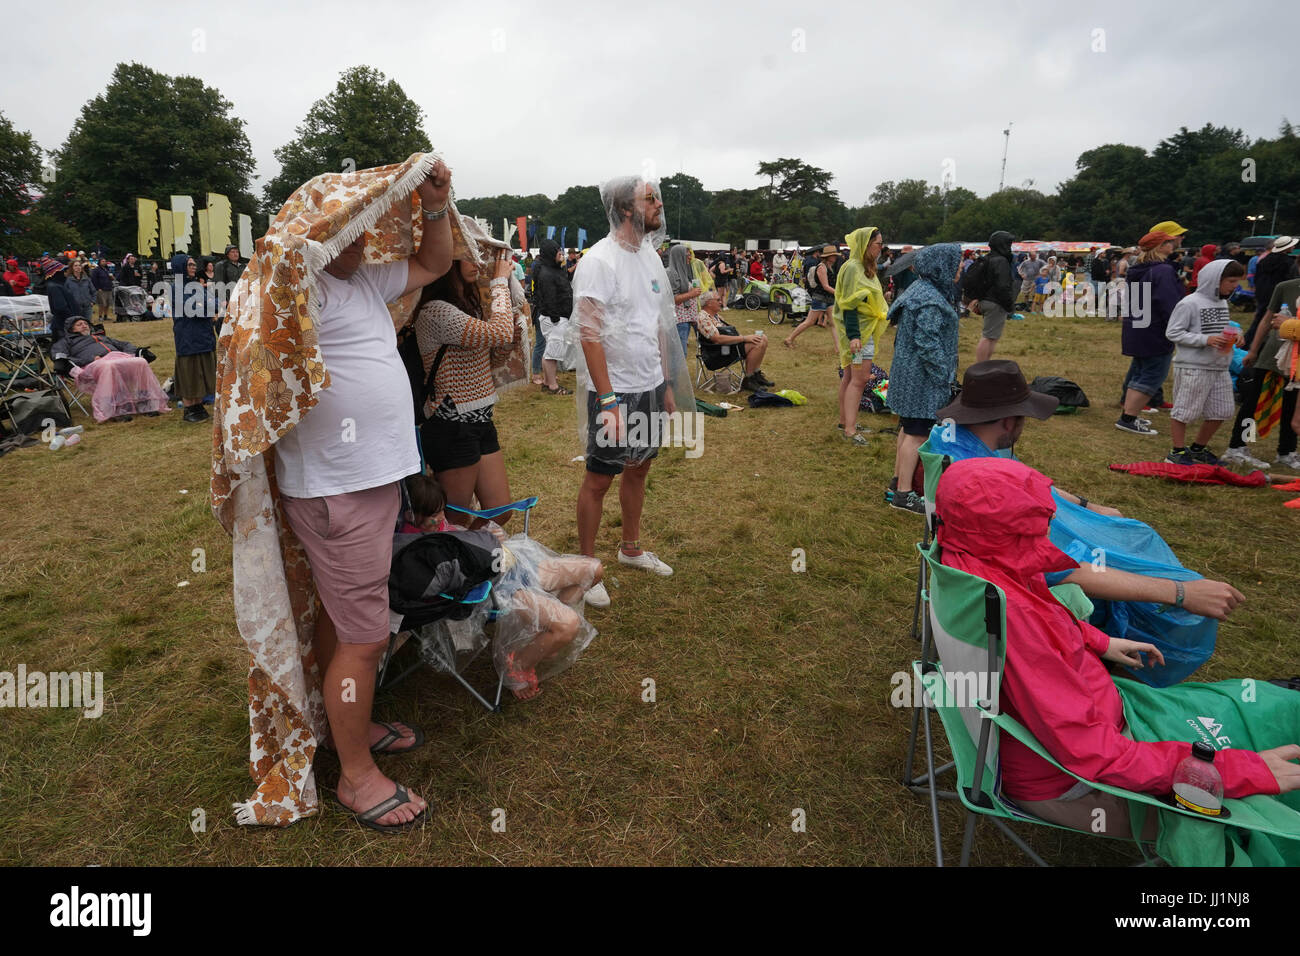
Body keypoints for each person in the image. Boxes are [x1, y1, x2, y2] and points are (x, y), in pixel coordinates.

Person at [935, 456, 1300, 840]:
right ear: (1012, 533)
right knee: (1268, 734)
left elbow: (1043, 611)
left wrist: (1099, 640)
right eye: (1037, 529)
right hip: (1079, 778)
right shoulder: (1015, 619)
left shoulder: (971, 561)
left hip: (1102, 720)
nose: (1047, 539)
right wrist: (1242, 771)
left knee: (1259, 705)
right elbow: (1095, 754)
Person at [269, 161, 453, 831]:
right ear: (318, 231)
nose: (360, 241)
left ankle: (348, 724)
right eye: (345, 230)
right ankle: (355, 777)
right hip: (337, 487)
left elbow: (435, 262)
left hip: (366, 483)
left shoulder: (361, 280)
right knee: (367, 635)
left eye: (362, 228)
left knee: (344, 621)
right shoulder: (297, 286)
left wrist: (434, 203)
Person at [928, 359, 1246, 621]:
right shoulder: (991, 491)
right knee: (1134, 542)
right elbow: (1063, 567)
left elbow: (1029, 483)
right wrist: (1180, 593)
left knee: (1125, 532)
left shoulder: (956, 444)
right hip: (1022, 594)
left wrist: (1088, 506)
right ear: (1010, 422)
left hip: (982, 573)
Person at [571, 176, 690, 604]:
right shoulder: (599, 261)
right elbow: (588, 333)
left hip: (650, 385)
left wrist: (668, 385)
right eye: (650, 198)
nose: (659, 204)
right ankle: (586, 569)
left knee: (640, 467)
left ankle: (630, 547)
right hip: (615, 390)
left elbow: (659, 324)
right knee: (600, 478)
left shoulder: (650, 257)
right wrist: (607, 401)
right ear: (626, 209)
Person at [413, 237, 518, 521]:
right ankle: (456, 561)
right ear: (449, 262)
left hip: (480, 419)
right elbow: (498, 332)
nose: (478, 263)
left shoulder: (467, 307)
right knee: (454, 518)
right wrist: (499, 283)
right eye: (468, 257)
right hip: (451, 423)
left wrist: (509, 341)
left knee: (501, 512)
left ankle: (473, 556)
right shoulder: (436, 311)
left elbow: (489, 359)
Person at [885, 243, 962, 512]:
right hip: (922, 378)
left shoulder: (922, 288)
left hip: (912, 373)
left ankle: (897, 483)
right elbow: (927, 341)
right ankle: (904, 495)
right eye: (956, 262)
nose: (960, 267)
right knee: (917, 434)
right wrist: (944, 375)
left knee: (908, 429)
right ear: (942, 265)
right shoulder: (929, 298)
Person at [1163, 259, 1244, 464]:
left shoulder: (1222, 302)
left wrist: (1238, 334)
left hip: (1219, 366)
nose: (1235, 286)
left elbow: (1223, 327)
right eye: (1231, 281)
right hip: (1193, 366)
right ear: (1214, 279)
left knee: (1223, 410)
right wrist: (1204, 340)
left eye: (1237, 281)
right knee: (1185, 411)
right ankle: (1177, 452)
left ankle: (1198, 448)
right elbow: (1173, 332)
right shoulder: (1189, 303)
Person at [1223, 269, 1300, 470]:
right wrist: (1253, 350)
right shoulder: (1286, 287)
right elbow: (1266, 319)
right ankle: (1239, 445)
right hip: (1273, 357)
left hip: (1297, 363)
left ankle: (1287, 451)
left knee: (1292, 406)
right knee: (1255, 404)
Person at [1116, 229, 1185, 436]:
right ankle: (1128, 418)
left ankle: (1130, 415)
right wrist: (1177, 326)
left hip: (1138, 325)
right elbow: (1168, 302)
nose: (1173, 245)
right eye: (1169, 242)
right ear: (1161, 246)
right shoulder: (1162, 271)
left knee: (1140, 370)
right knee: (1152, 374)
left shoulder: (1137, 269)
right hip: (1155, 328)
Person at [51, 317, 169, 422]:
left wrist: (138, 351)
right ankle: (114, 409)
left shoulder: (100, 337)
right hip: (91, 365)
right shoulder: (66, 342)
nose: (84, 325)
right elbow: (60, 357)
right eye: (79, 324)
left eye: (85, 323)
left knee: (140, 361)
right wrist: (90, 359)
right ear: (71, 329)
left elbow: (123, 344)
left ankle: (146, 402)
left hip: (116, 358)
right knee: (109, 366)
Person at [832, 227, 887, 446]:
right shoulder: (854, 268)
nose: (881, 248)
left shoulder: (863, 268)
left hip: (863, 331)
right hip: (858, 335)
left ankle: (846, 422)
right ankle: (850, 430)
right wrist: (855, 336)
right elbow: (849, 305)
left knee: (849, 377)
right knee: (860, 379)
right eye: (878, 244)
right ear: (866, 244)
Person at [168, 254, 219, 423]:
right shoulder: (176, 287)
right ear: (180, 267)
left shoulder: (196, 285)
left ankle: (198, 405)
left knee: (202, 371)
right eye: (189, 264)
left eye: (193, 264)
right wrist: (209, 311)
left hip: (203, 335)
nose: (193, 267)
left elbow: (212, 302)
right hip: (189, 336)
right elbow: (192, 309)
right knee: (190, 372)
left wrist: (212, 307)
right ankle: (189, 407)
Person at [696, 290, 773, 390]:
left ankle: (756, 374)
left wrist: (743, 339)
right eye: (718, 300)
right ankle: (748, 380)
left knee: (763, 338)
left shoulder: (716, 316)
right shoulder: (703, 317)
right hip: (717, 353)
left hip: (726, 348)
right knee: (757, 343)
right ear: (709, 303)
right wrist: (744, 338)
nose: (721, 302)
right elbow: (717, 339)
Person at [532, 238, 574, 395]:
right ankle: (552, 386)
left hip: (555, 317)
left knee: (552, 351)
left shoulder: (552, 269)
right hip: (554, 318)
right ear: (551, 253)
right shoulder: (547, 273)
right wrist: (556, 318)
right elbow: (549, 298)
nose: (561, 253)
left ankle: (548, 382)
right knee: (552, 352)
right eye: (557, 251)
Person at [970, 230, 1015, 363]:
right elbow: (1003, 286)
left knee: (991, 336)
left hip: (985, 300)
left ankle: (983, 365)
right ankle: (981, 367)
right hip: (996, 302)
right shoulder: (1001, 261)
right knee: (989, 337)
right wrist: (1009, 305)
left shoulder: (988, 258)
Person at [783, 245, 838, 348]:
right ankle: (789, 339)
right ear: (828, 256)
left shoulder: (830, 267)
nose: (835, 257)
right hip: (820, 298)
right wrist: (839, 293)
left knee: (834, 323)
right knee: (809, 322)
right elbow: (825, 286)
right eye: (833, 255)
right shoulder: (822, 267)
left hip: (829, 299)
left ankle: (838, 349)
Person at [666, 244, 702, 359]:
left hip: (687, 317)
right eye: (687, 255)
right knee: (680, 354)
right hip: (679, 319)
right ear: (679, 256)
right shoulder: (672, 273)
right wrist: (691, 294)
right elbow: (673, 299)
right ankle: (675, 377)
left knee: (681, 353)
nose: (690, 257)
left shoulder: (683, 271)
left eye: (690, 254)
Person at [64, 258, 95, 326]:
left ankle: (88, 336)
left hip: (87, 306)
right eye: (75, 265)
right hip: (75, 307)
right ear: (72, 268)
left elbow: (93, 291)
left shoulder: (86, 279)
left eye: (79, 265)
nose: (78, 267)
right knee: (77, 325)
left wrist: (92, 301)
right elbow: (65, 294)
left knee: (88, 324)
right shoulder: (68, 280)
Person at [91, 259, 114, 323]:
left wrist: (112, 277)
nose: (104, 262)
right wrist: (98, 288)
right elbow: (93, 280)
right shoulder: (96, 270)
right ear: (99, 262)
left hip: (108, 288)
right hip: (101, 289)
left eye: (105, 261)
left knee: (107, 304)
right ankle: (100, 316)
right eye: (102, 261)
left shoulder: (107, 269)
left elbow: (112, 278)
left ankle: (105, 316)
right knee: (101, 304)